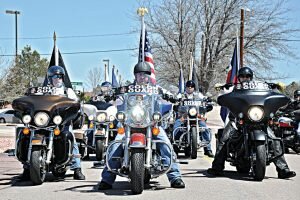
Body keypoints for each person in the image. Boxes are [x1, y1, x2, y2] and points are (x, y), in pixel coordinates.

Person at [98, 62, 185, 190]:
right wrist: (109, 95)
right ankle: (107, 179)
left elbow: (168, 96)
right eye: (139, 74)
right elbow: (116, 96)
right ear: (135, 76)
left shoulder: (156, 89)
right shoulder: (127, 89)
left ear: (149, 76)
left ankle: (175, 177)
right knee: (115, 145)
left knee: (165, 145)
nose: (142, 77)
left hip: (151, 123)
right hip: (129, 124)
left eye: (145, 75)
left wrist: (174, 97)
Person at [207, 67, 296, 179]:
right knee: (224, 138)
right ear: (238, 78)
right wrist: (223, 88)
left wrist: (275, 87)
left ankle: (283, 169)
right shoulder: (233, 88)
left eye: (247, 76)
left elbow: (268, 94)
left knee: (274, 140)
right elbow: (223, 96)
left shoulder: (258, 88)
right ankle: (217, 168)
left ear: (251, 77)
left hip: (257, 120)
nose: (245, 78)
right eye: (242, 76)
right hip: (237, 120)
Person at [20, 65, 85, 180]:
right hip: (45, 120)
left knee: (71, 138)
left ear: (63, 78)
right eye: (54, 76)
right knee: (28, 133)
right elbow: (35, 101)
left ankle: (77, 168)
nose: (57, 79)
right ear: (50, 78)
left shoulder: (67, 91)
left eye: (59, 76)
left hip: (62, 121)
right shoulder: (43, 91)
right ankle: (27, 168)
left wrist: (73, 107)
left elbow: (76, 103)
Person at [173, 80, 214, 157]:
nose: (190, 88)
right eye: (188, 87)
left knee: (204, 127)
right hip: (184, 116)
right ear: (186, 87)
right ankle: (175, 147)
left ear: (194, 88)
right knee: (176, 126)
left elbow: (204, 98)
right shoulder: (181, 95)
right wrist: (175, 99)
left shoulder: (198, 95)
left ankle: (207, 149)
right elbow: (175, 99)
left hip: (196, 116)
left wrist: (208, 99)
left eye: (191, 87)